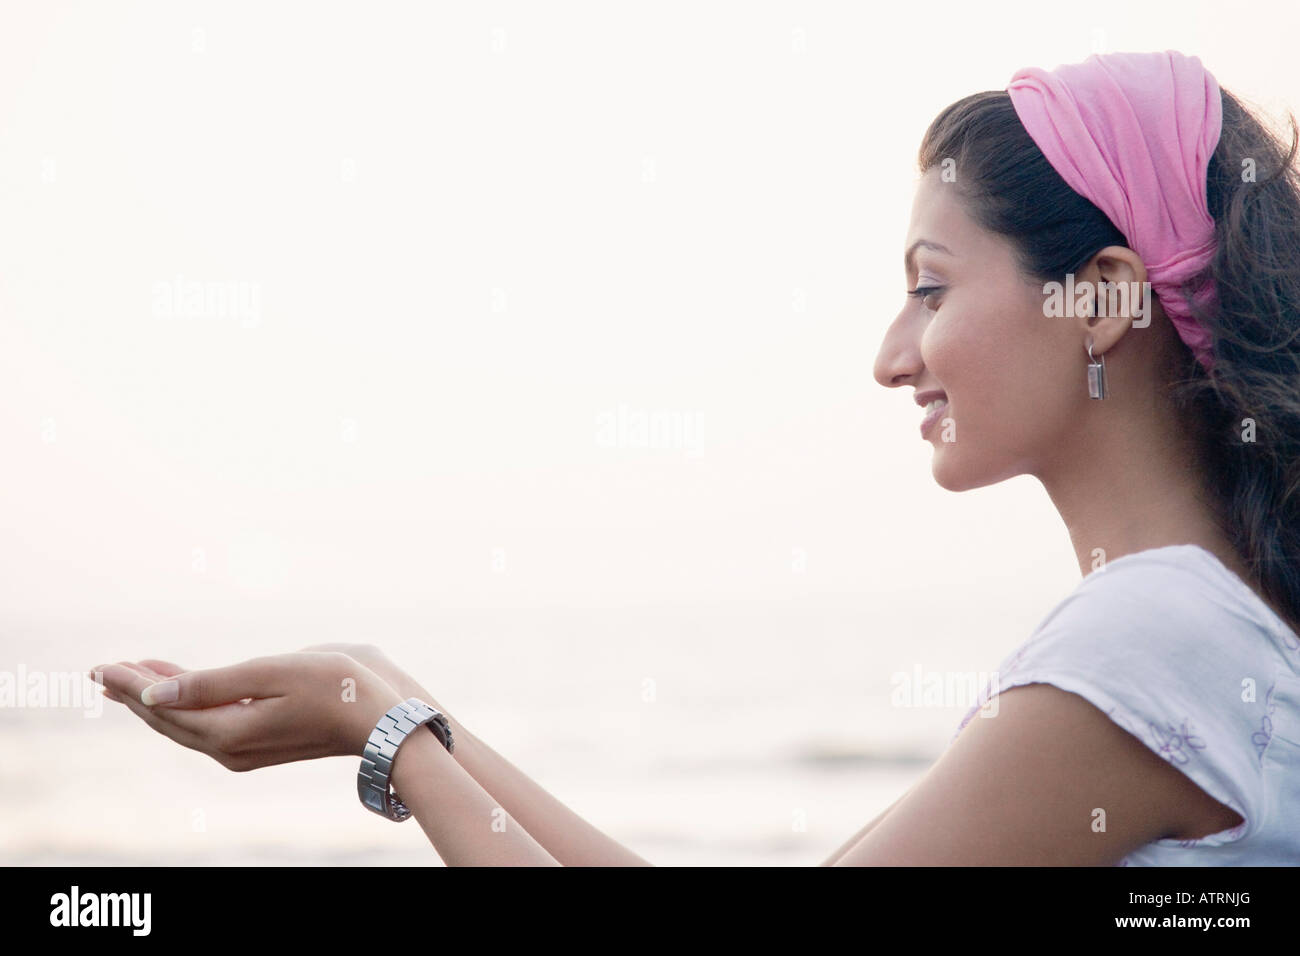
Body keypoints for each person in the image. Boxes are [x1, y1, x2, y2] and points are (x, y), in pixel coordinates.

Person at [91, 50, 1300, 865]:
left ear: (1099, 304)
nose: (892, 357)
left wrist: (387, 731)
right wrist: (397, 704)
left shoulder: (1148, 638)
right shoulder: (1205, 627)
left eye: (929, 290)